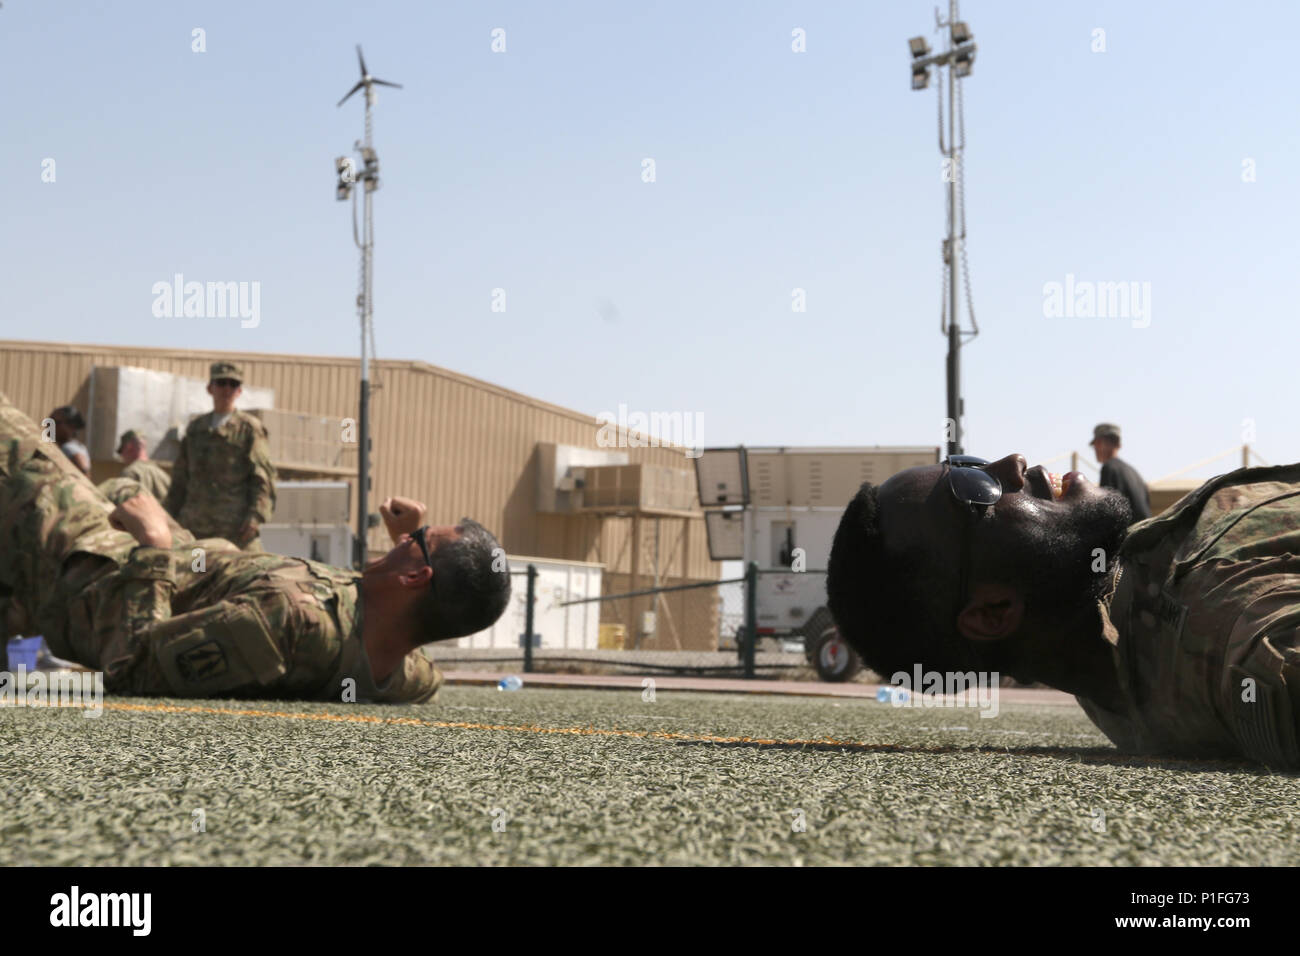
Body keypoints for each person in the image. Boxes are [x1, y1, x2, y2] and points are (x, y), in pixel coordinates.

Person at [0, 392, 511, 701]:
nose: (407, 537)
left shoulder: (282, 619)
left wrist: (153, 545)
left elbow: (133, 670)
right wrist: (410, 541)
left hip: (89, 570)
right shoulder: (403, 671)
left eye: (420, 542)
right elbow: (408, 633)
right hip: (136, 554)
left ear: (415, 578)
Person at [826, 453, 1300, 768]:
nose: (1014, 464)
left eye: (968, 462)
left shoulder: (1109, 687)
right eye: (975, 487)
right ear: (993, 612)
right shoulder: (1217, 620)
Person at [164, 362, 276, 551]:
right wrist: (167, 518)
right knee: (195, 575)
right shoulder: (196, 429)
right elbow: (180, 479)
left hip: (235, 530)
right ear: (210, 388)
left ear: (239, 391)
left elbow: (262, 477)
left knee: (248, 577)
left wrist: (255, 517)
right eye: (221, 383)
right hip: (195, 529)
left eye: (233, 384)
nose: (227, 389)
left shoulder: (250, 429)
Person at [1090, 422, 1150, 521]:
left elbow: (1107, 512)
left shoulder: (1109, 468)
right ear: (1119, 444)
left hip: (1130, 535)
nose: (1095, 449)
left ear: (1100, 443)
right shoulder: (1134, 473)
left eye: (1095, 445)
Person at [115, 430, 171, 502]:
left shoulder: (130, 473)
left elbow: (124, 505)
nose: (122, 457)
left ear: (129, 447)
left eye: (122, 452)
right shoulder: (164, 475)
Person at [48, 405, 91, 476]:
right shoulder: (76, 446)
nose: (48, 425)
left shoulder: (69, 448)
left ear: (71, 426)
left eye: (54, 422)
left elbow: (84, 472)